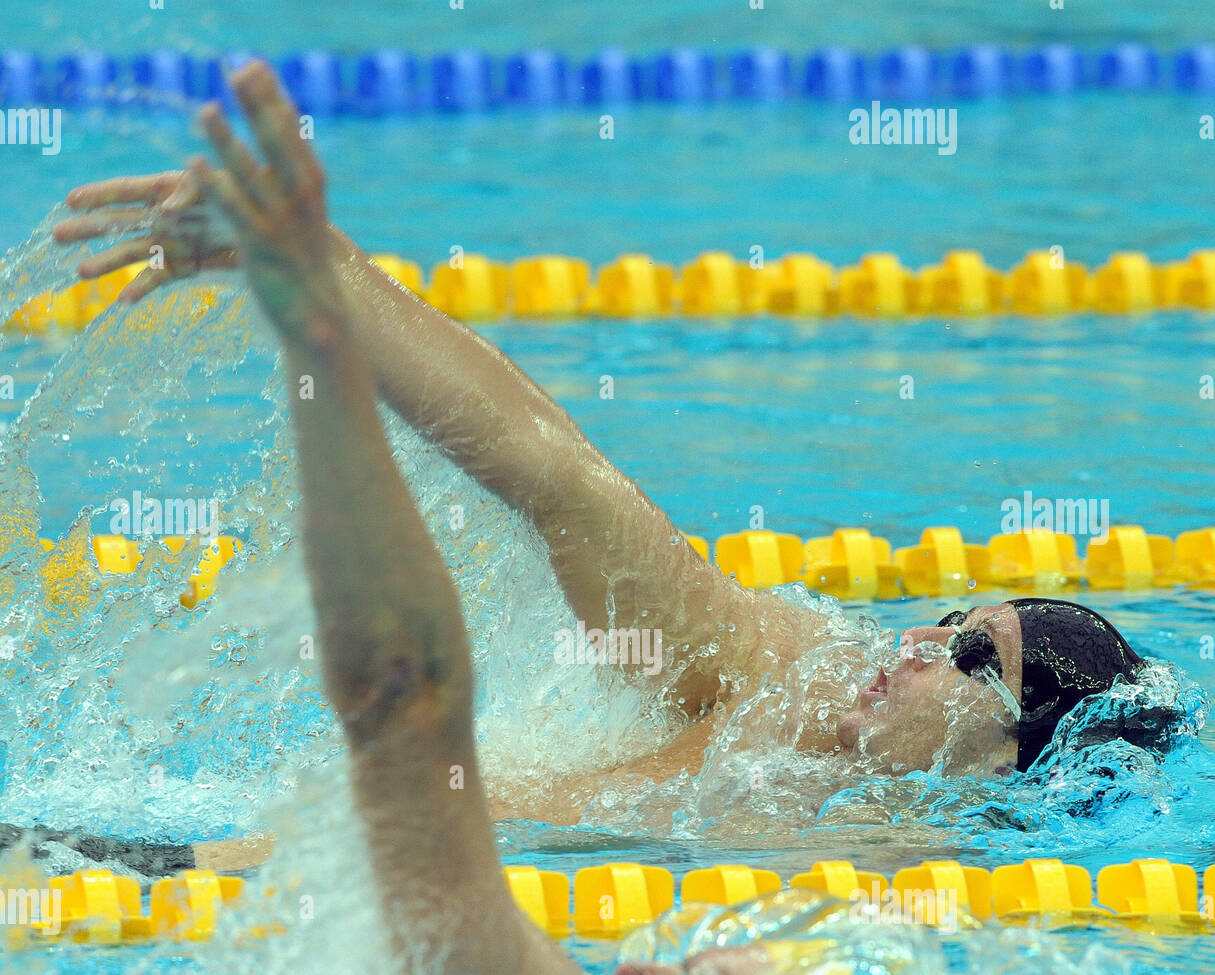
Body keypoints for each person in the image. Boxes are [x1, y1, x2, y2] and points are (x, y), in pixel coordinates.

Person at [50, 84, 1167, 839]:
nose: (918, 644)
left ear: (1015, 757)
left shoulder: (899, 886)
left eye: (973, 656)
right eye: (947, 620)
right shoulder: (799, 681)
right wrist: (314, 267)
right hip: (307, 846)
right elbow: (563, 482)